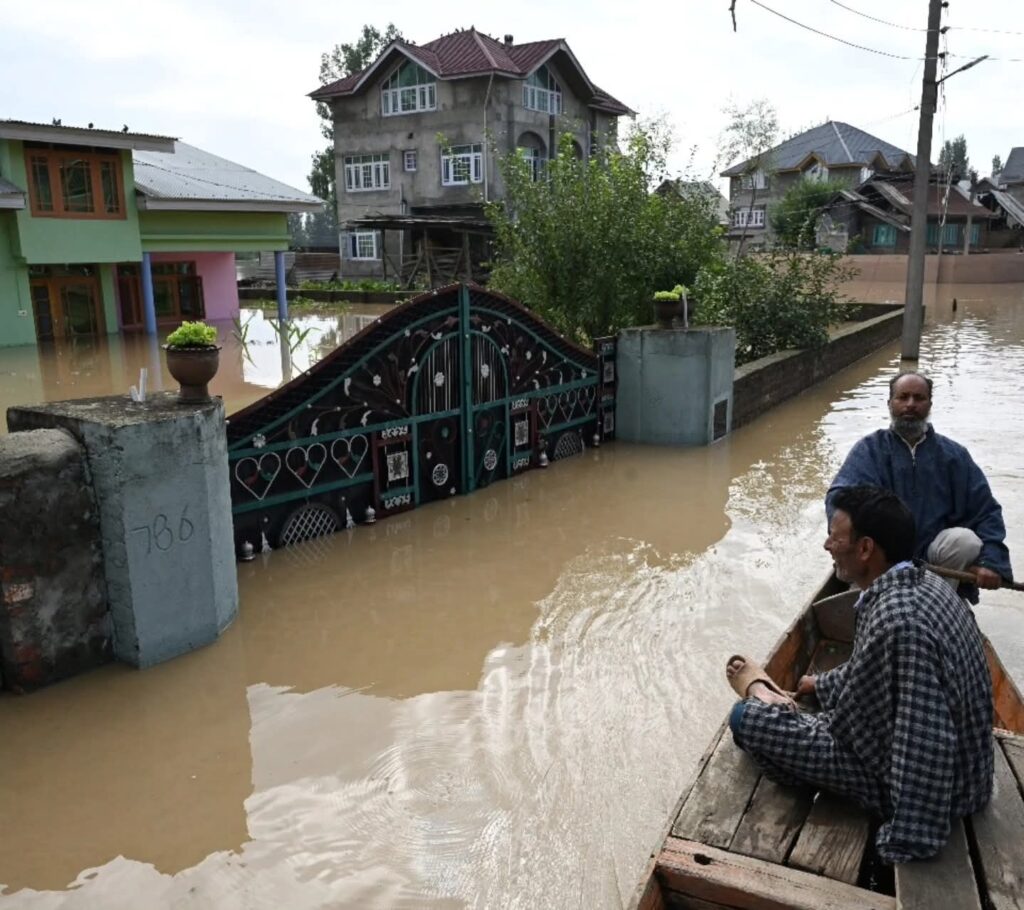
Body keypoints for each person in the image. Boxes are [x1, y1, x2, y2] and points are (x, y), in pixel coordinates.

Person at [726, 485, 994, 863]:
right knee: (824, 694)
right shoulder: (928, 582)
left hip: (936, 792)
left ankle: (769, 700)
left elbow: (926, 744)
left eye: (835, 538)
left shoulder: (899, 623)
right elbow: (875, 667)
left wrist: (905, 840)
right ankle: (791, 698)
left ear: (866, 549)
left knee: (744, 718)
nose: (827, 546)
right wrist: (822, 682)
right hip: (971, 777)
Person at [826, 370, 1012, 601]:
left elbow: (986, 511)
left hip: (933, 563)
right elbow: (839, 500)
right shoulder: (869, 450)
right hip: (881, 560)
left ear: (929, 404)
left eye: (919, 398)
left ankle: (938, 604)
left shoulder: (953, 456)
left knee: (965, 541)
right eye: (903, 397)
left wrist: (991, 561)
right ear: (890, 404)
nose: (910, 404)